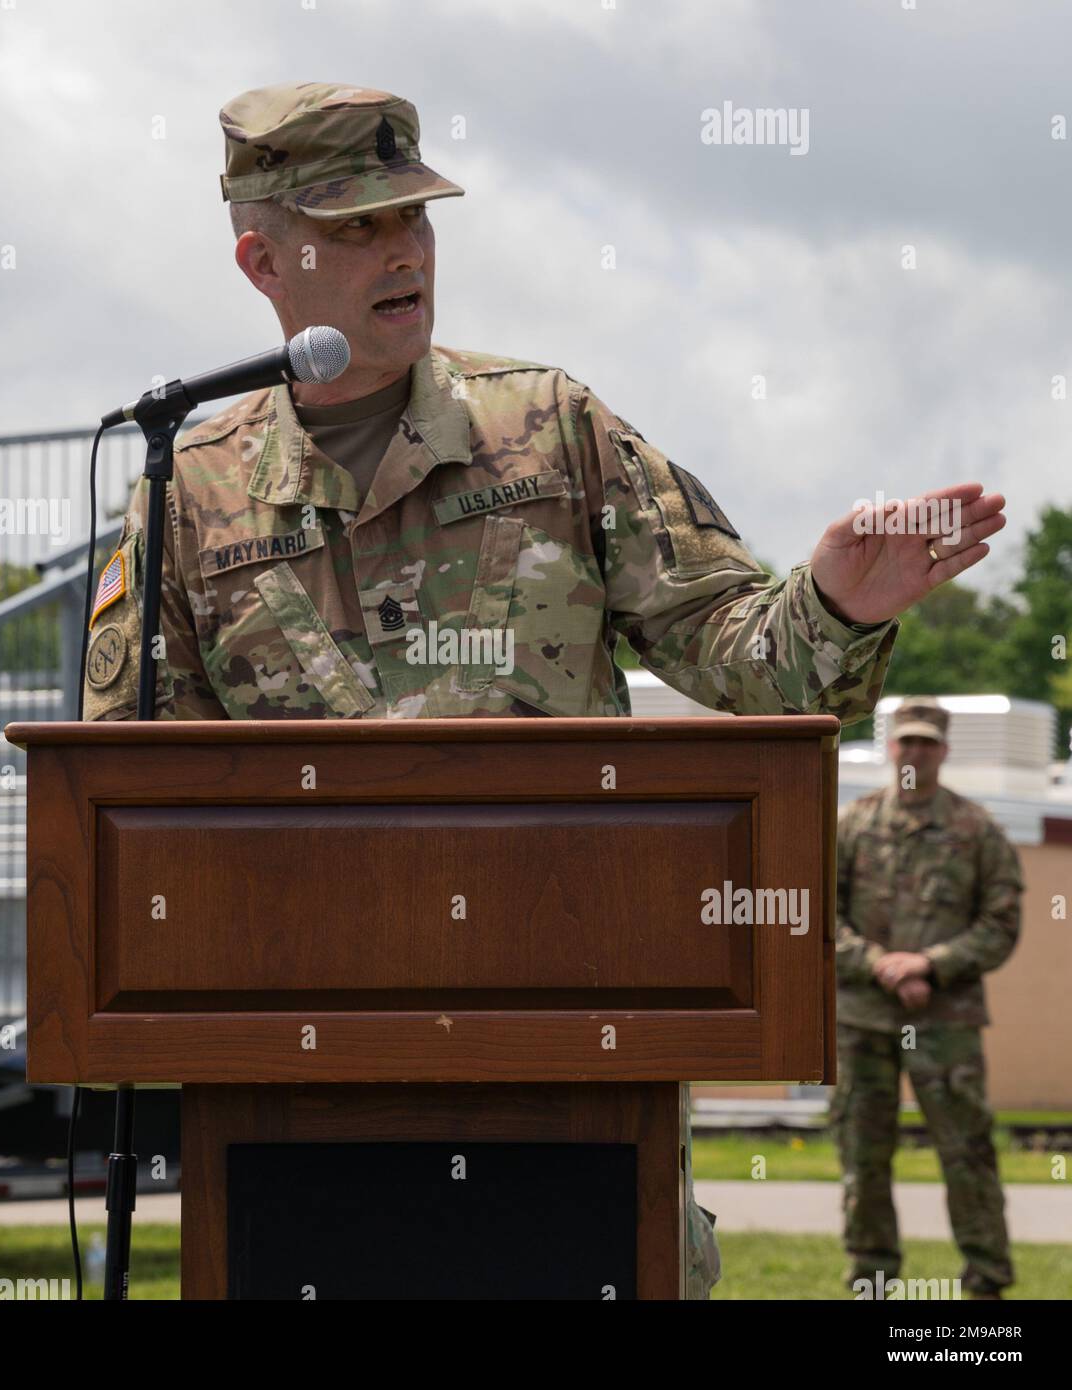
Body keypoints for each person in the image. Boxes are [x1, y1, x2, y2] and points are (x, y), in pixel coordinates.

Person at [82, 82, 1007, 1298]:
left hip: (576, 1074)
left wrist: (836, 600)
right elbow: (128, 807)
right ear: (264, 261)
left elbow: (749, 660)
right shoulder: (182, 492)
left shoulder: (551, 431)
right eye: (353, 229)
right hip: (296, 1105)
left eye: (413, 216)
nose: (402, 248)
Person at [832, 698, 1023, 1299]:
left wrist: (929, 966)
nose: (915, 752)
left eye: (926, 743)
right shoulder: (852, 825)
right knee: (863, 1157)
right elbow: (816, 917)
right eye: (905, 741)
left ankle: (986, 1282)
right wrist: (880, 966)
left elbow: (1001, 922)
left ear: (944, 750)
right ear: (890, 748)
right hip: (863, 1017)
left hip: (946, 1022)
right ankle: (872, 1280)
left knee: (965, 1153)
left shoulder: (977, 829)